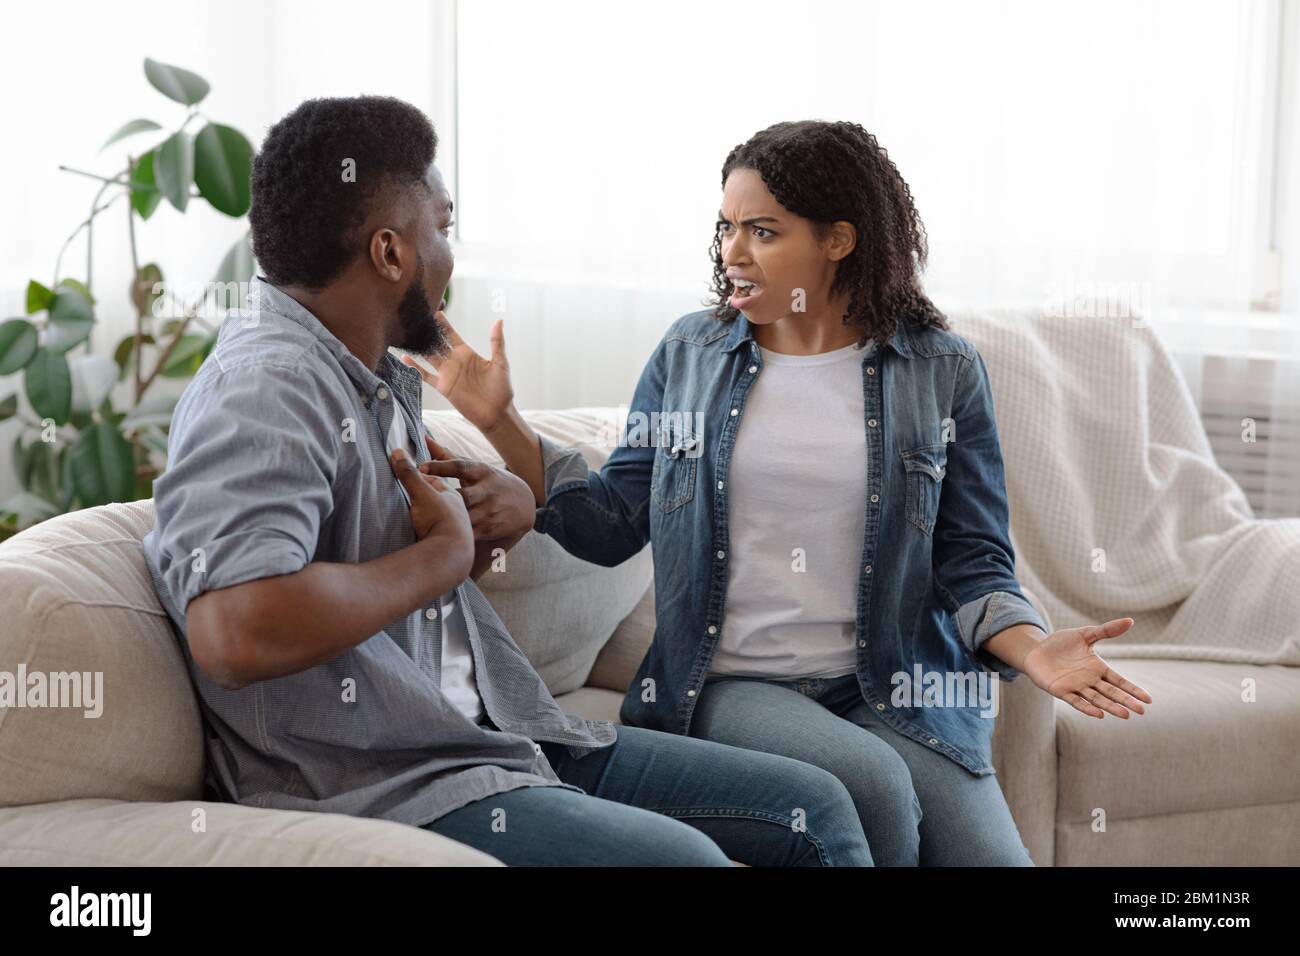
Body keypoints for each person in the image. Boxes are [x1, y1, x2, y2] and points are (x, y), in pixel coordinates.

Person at [142, 98, 873, 867]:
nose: (453, 259)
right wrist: (440, 556)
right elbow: (234, 629)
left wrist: (478, 504)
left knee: (814, 810)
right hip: (395, 782)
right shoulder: (269, 385)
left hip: (506, 739)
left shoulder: (368, 377)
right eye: (445, 228)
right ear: (391, 254)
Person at [407, 119, 1154, 866]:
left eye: (763, 231)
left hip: (892, 682)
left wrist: (1031, 652)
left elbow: (973, 558)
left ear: (839, 239)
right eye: (727, 228)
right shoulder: (690, 356)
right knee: (875, 783)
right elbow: (613, 519)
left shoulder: (942, 369)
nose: (733, 251)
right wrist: (499, 420)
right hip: (734, 682)